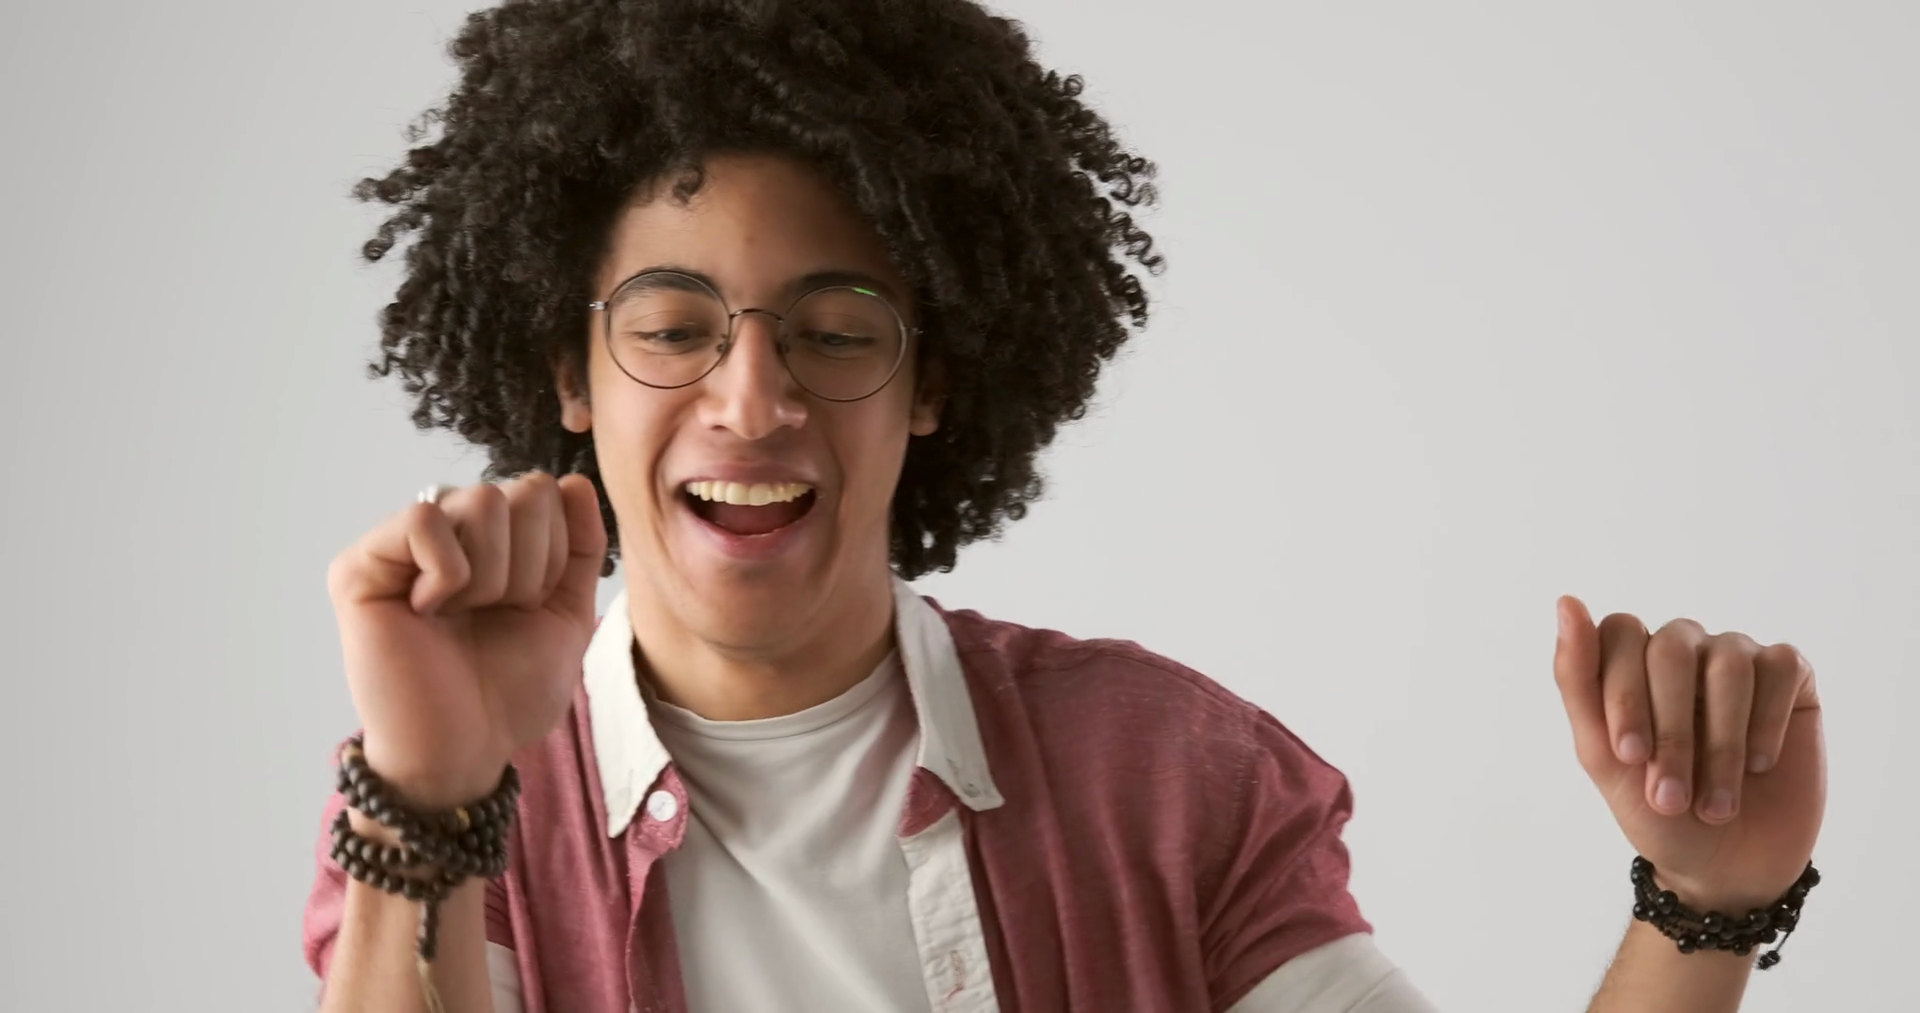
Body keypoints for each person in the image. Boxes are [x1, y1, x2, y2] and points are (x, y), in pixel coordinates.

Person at [303, 1, 1828, 1011]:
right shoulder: (439, 806)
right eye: (672, 323)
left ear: (935, 381)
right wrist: (430, 806)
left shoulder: (1169, 779)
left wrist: (1704, 902)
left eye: (835, 329)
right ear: (569, 372)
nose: (752, 400)